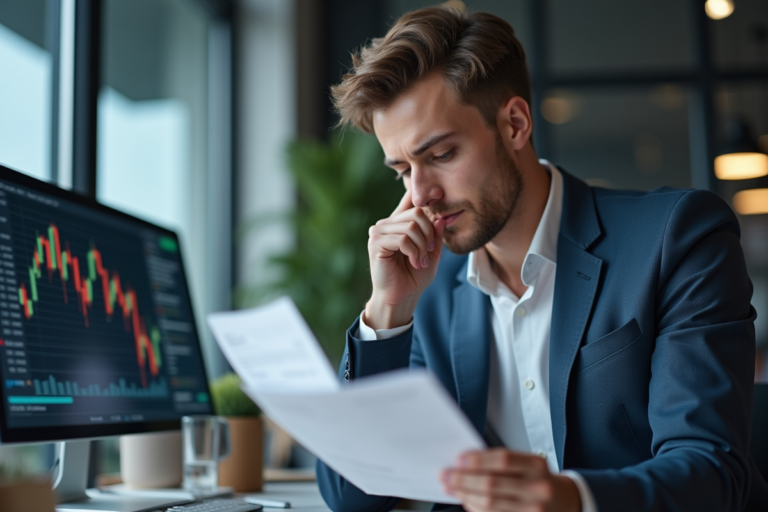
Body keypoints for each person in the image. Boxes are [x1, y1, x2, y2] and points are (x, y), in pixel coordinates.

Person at [315, 5, 765, 512]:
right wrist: (385, 314)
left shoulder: (677, 238)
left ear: (514, 124)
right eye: (402, 169)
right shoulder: (430, 291)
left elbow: (712, 472)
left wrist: (573, 499)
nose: (420, 195)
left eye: (441, 155)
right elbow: (352, 498)